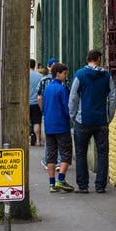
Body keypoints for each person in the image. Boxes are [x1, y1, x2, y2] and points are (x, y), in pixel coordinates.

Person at [69, 49, 116, 193]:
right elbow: (112, 97)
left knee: (81, 152)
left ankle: (83, 186)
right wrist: (109, 116)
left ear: (87, 59)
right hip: (101, 120)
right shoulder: (106, 76)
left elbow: (73, 97)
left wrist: (73, 115)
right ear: (98, 59)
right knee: (103, 153)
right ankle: (100, 185)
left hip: (82, 120)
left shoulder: (80, 75)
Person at [42, 62, 74, 193]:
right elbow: (67, 108)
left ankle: (52, 183)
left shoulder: (47, 88)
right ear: (58, 73)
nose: (66, 76)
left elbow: (43, 105)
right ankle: (61, 179)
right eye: (65, 73)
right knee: (66, 154)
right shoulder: (61, 89)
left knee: (51, 156)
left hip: (49, 126)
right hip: (61, 126)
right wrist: (71, 118)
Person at [38, 58, 59, 169]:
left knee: (49, 138)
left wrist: (43, 110)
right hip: (59, 113)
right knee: (60, 138)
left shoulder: (44, 80)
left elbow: (39, 97)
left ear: (48, 67)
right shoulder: (63, 79)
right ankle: (59, 162)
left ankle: (48, 161)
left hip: (48, 113)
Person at [29, 59, 43, 146]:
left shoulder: (24, 75)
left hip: (26, 103)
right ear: (34, 66)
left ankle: (28, 140)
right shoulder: (40, 76)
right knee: (36, 122)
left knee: (25, 122)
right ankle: (38, 140)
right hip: (36, 103)